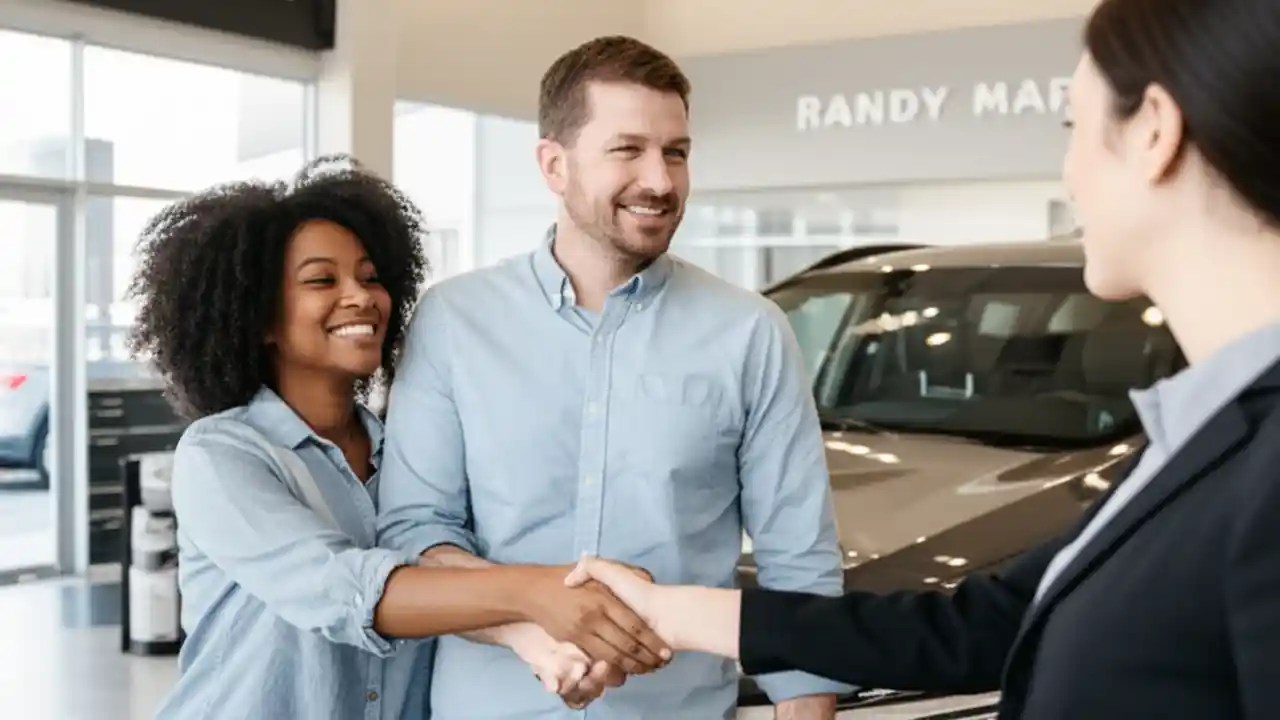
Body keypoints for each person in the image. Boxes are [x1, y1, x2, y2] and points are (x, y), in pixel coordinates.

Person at [563, 0, 1280, 718]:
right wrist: (671, 612)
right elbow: (981, 626)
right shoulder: (1203, 436)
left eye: (1072, 128)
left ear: (1154, 132)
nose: (1067, 176)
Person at [376, 36, 850, 718]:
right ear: (554, 165)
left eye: (676, 152)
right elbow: (415, 532)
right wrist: (535, 613)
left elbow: (798, 562)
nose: (659, 180)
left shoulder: (751, 332)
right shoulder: (454, 322)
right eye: (627, 149)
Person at [128, 155, 670, 720]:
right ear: (257, 318)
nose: (361, 297)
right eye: (321, 280)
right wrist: (538, 593)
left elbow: (448, 582)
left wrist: (531, 637)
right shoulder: (222, 455)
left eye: (369, 277)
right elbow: (341, 588)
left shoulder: (409, 452)